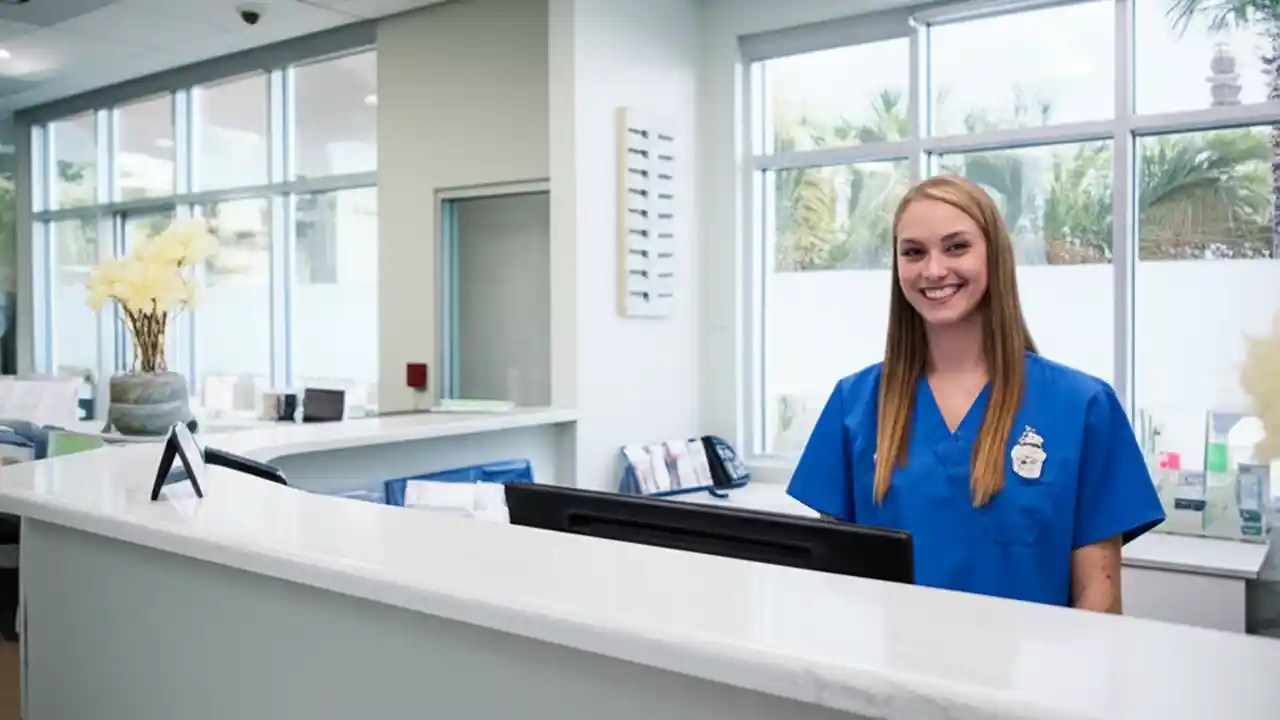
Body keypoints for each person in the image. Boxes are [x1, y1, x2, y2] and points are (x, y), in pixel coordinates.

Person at [786, 175, 1165, 612]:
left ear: (994, 256)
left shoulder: (1082, 408)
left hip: (1031, 677)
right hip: (889, 675)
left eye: (956, 247)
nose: (933, 269)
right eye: (913, 252)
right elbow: (836, 590)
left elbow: (1097, 598)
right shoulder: (854, 405)